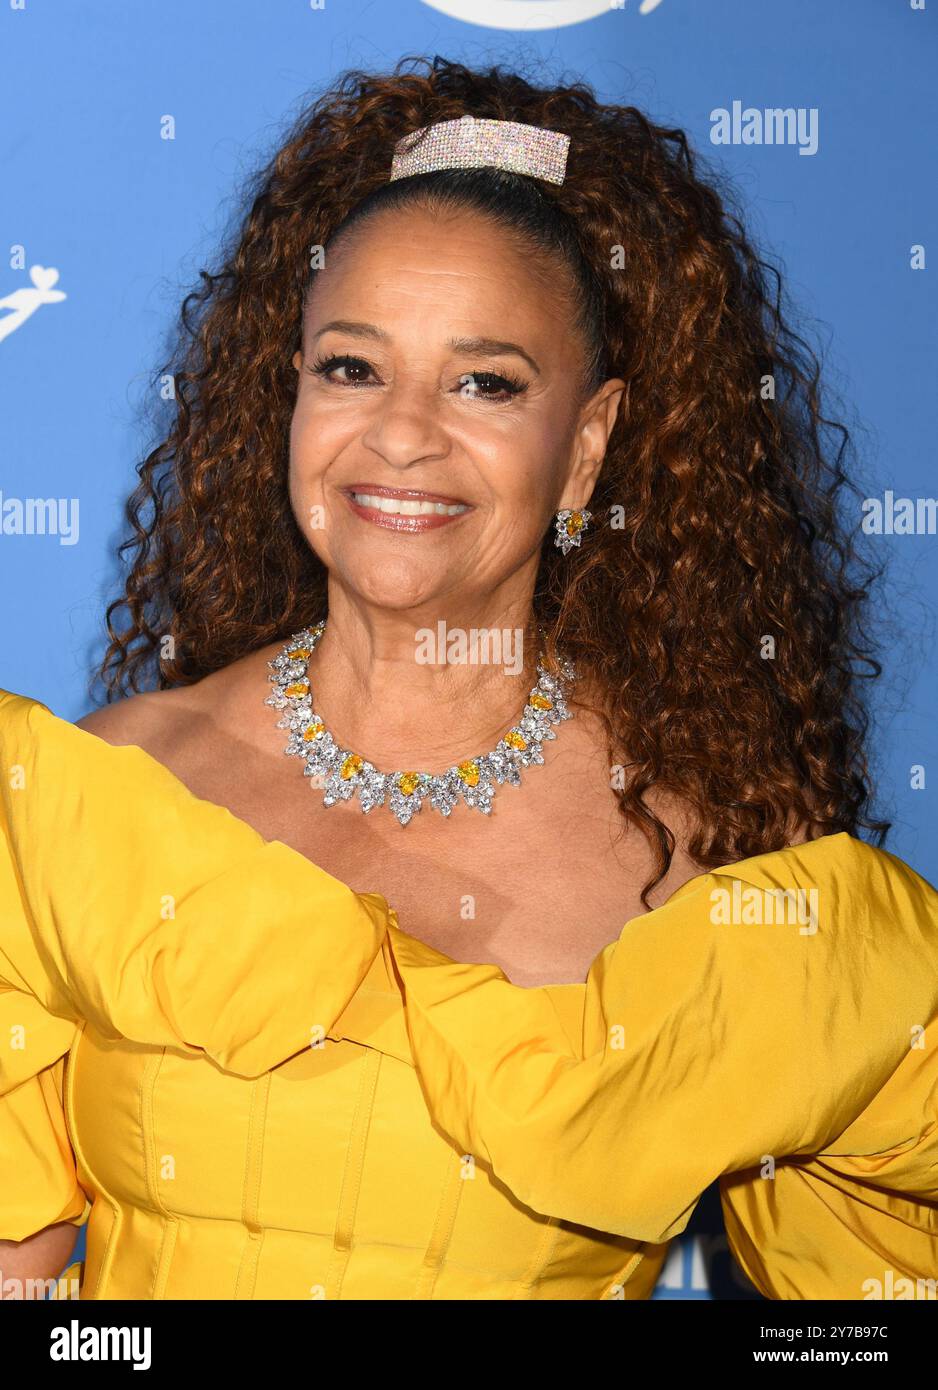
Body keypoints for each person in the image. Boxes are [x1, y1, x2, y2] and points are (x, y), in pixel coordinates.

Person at [1, 56, 936, 1302]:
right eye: (350, 366)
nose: (400, 433)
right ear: (286, 395)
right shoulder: (98, 796)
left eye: (484, 382)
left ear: (587, 445)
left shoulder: (720, 878)